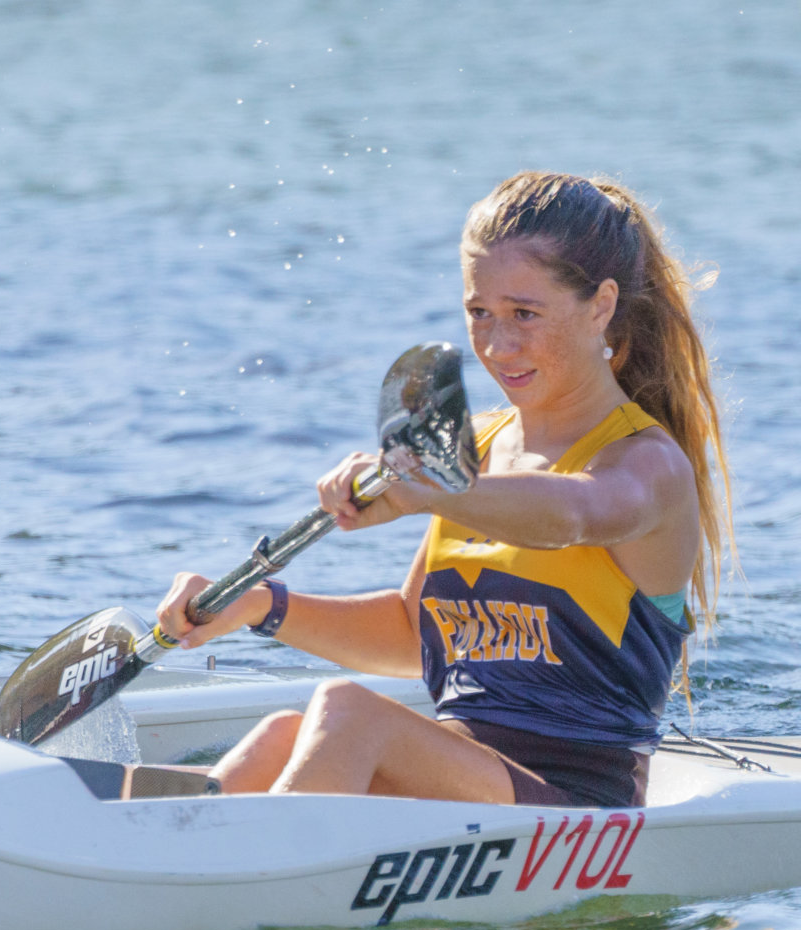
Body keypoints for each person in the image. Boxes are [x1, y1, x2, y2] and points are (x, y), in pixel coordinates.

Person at [157, 171, 730, 807]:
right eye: (478, 312)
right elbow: (412, 632)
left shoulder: (649, 465)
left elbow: (574, 513)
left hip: (576, 802)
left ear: (601, 306)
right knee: (281, 737)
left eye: (525, 314)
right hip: (466, 777)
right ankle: (157, 848)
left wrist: (437, 489)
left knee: (347, 712)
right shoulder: (476, 448)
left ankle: (229, 873)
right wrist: (260, 606)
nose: (497, 343)